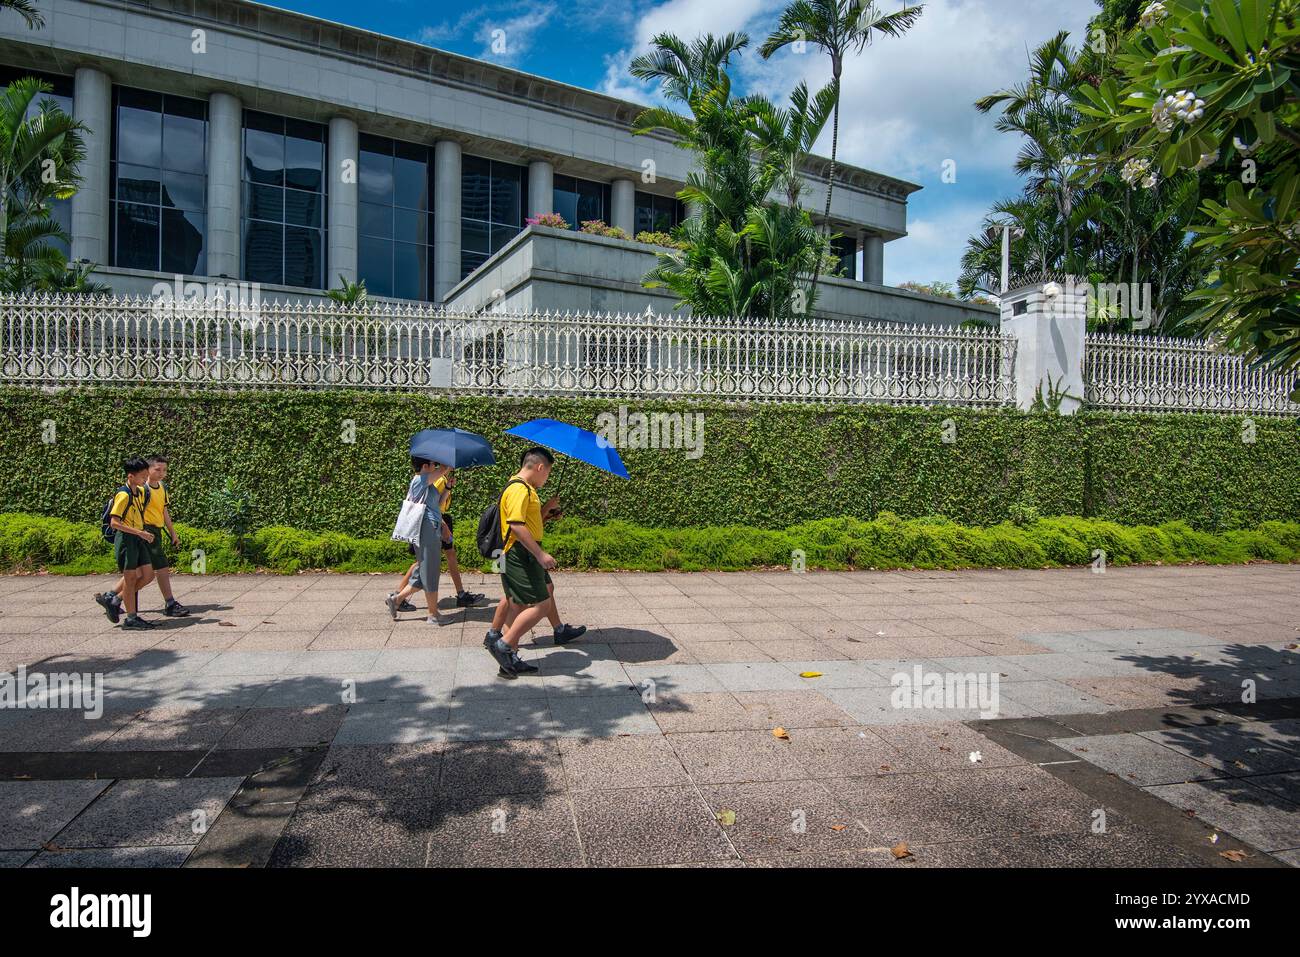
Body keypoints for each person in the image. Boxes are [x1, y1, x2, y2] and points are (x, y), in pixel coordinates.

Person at [484, 447, 586, 680]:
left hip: (514, 553)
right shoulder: (520, 489)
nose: (546, 478)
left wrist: (545, 511)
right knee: (541, 605)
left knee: (517, 605)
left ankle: (509, 660)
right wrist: (540, 554)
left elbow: (528, 522)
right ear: (540, 467)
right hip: (520, 554)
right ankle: (503, 645)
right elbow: (517, 525)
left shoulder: (522, 488)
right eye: (547, 473)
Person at [97, 455, 188, 621]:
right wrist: (140, 532)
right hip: (140, 533)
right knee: (151, 570)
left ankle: (113, 598)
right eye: (156, 470)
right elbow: (117, 520)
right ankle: (164, 604)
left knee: (143, 573)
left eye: (164, 470)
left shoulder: (158, 488)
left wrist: (172, 532)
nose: (161, 473)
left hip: (150, 532)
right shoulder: (136, 490)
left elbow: (163, 511)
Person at [387, 469, 483, 613]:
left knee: (444, 557)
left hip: (439, 520)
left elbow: (437, 502)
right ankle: (400, 597)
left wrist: (448, 487)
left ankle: (400, 597)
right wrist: (443, 526)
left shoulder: (440, 479)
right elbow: (432, 506)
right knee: (425, 565)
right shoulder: (435, 479)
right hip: (435, 523)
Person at [386, 456, 452, 624]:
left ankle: (396, 599)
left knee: (422, 572)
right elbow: (443, 470)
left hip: (432, 528)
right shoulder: (419, 480)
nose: (435, 467)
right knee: (430, 571)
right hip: (426, 530)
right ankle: (433, 615)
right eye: (432, 464)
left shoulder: (427, 484)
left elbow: (438, 504)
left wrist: (448, 487)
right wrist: (447, 464)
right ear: (425, 466)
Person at [102, 457, 156, 630]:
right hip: (127, 540)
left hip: (139, 538)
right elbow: (115, 523)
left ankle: (115, 600)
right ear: (131, 476)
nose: (144, 479)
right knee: (130, 579)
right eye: (142, 476)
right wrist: (139, 532)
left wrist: (144, 533)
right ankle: (131, 618)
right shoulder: (123, 495)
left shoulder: (139, 492)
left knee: (148, 575)